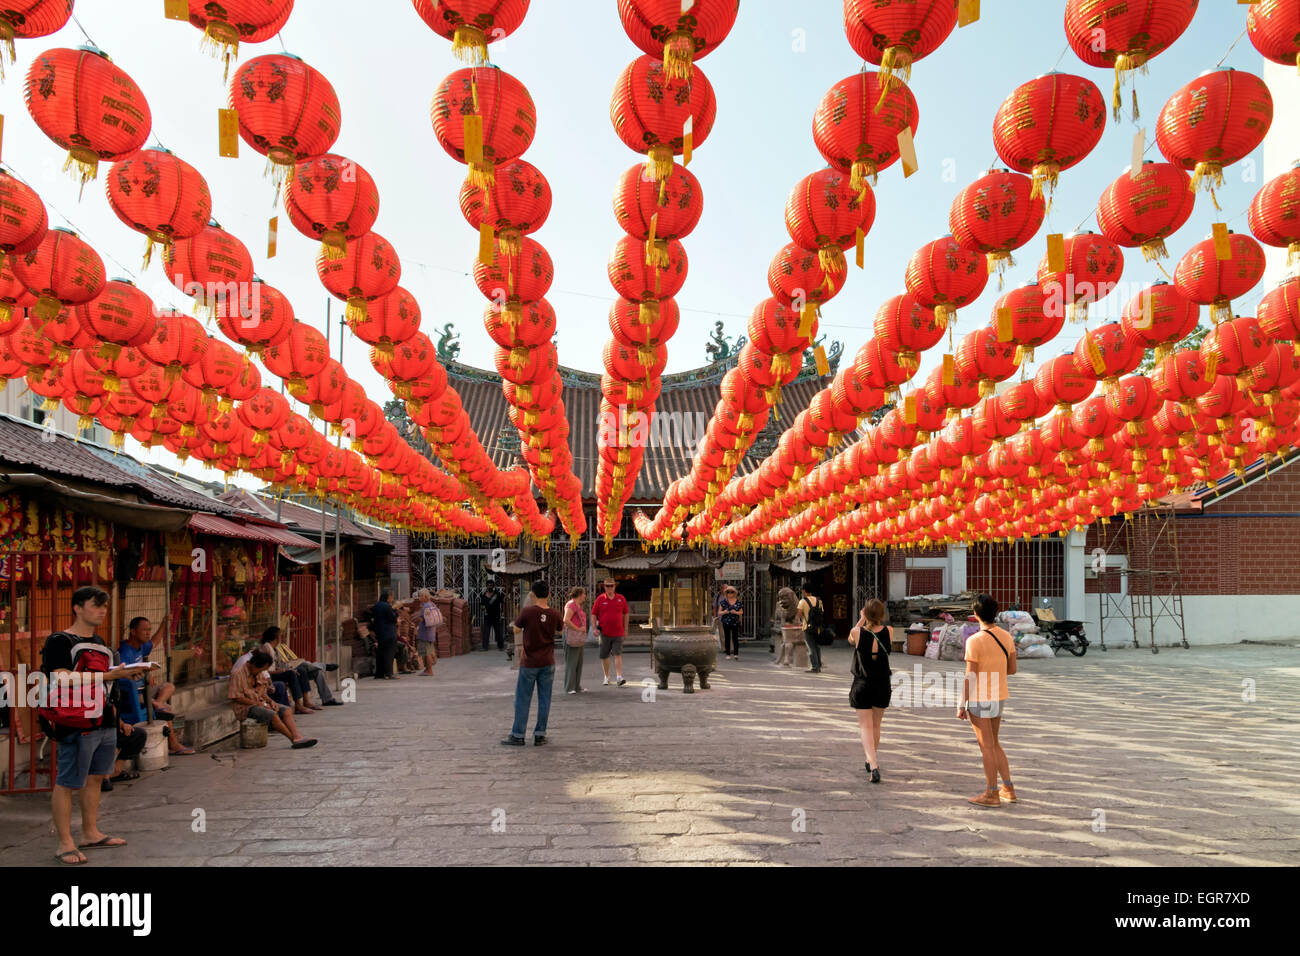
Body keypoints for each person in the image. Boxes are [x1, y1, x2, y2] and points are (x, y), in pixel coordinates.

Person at [41, 586, 153, 865]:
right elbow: (61, 679)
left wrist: (124, 675)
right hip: (74, 719)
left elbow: (107, 682)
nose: (102, 610)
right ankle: (64, 843)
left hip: (103, 717)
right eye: (95, 604)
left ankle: (90, 832)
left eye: (104, 605)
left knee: (95, 778)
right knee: (67, 781)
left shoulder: (102, 643)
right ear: (77, 607)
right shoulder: (60, 641)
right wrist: (110, 673)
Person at [959, 594, 1018, 808]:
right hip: (999, 695)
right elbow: (1012, 669)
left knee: (987, 747)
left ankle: (992, 792)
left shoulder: (974, 641)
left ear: (975, 615)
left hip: (980, 698)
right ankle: (1008, 788)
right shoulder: (1006, 636)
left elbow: (970, 676)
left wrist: (961, 703)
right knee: (994, 743)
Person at [118, 617, 194, 755]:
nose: (148, 633)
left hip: (145, 689)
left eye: (149, 630)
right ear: (133, 632)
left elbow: (155, 641)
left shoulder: (141, 646)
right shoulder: (125, 652)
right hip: (133, 695)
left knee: (168, 686)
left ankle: (157, 702)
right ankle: (174, 745)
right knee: (165, 711)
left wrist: (163, 625)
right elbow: (123, 679)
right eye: (144, 630)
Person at [501, 580, 560, 746]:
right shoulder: (555, 613)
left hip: (529, 662)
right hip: (548, 661)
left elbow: (516, 629)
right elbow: (561, 630)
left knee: (523, 699)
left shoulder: (527, 612)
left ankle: (518, 734)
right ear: (549, 594)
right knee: (544, 699)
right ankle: (540, 734)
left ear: (532, 595)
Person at [229, 650, 317, 750]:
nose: (261, 672)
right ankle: (293, 739)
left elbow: (262, 692)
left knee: (286, 710)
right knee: (273, 715)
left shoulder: (258, 673)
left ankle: (297, 736)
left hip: (259, 703)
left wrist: (270, 701)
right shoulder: (238, 674)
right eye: (260, 669)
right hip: (245, 708)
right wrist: (258, 704)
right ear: (253, 664)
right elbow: (236, 697)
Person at [848, 599, 892, 783]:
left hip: (862, 685)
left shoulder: (857, 632)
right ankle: (872, 759)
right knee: (876, 725)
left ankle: (872, 764)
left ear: (865, 613)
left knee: (865, 726)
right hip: (882, 684)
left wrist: (861, 619)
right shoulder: (889, 631)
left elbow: (851, 638)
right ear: (882, 615)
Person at [262, 625, 342, 706]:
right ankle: (324, 666)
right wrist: (285, 670)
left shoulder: (276, 649)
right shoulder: (267, 648)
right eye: (280, 636)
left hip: (283, 670)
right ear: (276, 637)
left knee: (317, 672)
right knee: (303, 667)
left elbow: (281, 664)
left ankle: (327, 699)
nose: (281, 638)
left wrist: (288, 667)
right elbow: (267, 671)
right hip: (274, 676)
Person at [591, 578, 629, 686]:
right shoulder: (600, 599)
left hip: (618, 632)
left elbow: (626, 614)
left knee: (618, 654)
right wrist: (594, 628)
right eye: (607, 586)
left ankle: (619, 677)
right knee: (604, 656)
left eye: (611, 586)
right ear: (604, 587)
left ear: (615, 586)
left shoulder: (621, 598)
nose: (609, 588)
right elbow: (593, 614)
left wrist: (626, 629)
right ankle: (606, 676)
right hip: (604, 633)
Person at [562, 586, 588, 695]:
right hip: (572, 636)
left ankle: (577, 686)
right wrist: (578, 629)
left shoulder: (577, 605)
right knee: (571, 662)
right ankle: (569, 687)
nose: (585, 596)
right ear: (579, 594)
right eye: (584, 594)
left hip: (578, 637)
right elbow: (566, 620)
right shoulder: (571, 604)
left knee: (578, 662)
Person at [371, 591, 399, 680]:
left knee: (381, 653)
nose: (391, 599)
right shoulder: (387, 606)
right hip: (389, 633)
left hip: (380, 633)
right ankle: (388, 673)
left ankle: (379, 673)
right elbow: (393, 618)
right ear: (387, 598)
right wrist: (396, 611)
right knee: (389, 653)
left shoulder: (376, 606)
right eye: (390, 597)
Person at [798, 585, 826, 674]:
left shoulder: (802, 601)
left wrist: (803, 618)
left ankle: (815, 667)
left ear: (804, 591)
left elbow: (799, 615)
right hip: (818, 627)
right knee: (817, 646)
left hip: (807, 627)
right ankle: (819, 665)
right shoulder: (819, 601)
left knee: (811, 647)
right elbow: (822, 612)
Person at [774, 587, 804, 667]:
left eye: (785, 597)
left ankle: (785, 658)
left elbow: (798, 618)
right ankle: (784, 658)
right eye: (781, 598)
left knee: (788, 642)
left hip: (794, 630)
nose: (783, 600)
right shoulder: (779, 605)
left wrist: (797, 621)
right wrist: (782, 615)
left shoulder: (797, 605)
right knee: (786, 642)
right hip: (785, 628)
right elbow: (779, 618)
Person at [414, 589, 441, 675]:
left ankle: (429, 670)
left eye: (420, 596)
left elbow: (421, 619)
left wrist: (416, 618)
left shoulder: (425, 607)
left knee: (426, 652)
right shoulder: (432, 604)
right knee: (428, 650)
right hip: (431, 631)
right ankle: (427, 670)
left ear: (425, 596)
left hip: (425, 632)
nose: (419, 598)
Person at [716, 586, 743, 660]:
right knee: (727, 638)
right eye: (728, 592)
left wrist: (736, 612)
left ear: (734, 593)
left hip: (735, 622)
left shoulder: (738, 602)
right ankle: (728, 654)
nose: (730, 594)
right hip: (726, 622)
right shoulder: (723, 602)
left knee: (735, 638)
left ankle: (736, 654)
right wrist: (724, 612)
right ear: (726, 593)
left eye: (732, 592)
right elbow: (719, 612)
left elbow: (741, 612)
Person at [481, 580, 506, 651]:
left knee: (498, 632)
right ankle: (485, 647)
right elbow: (482, 605)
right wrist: (483, 609)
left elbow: (503, 603)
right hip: (487, 616)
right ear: (486, 586)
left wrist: (502, 612)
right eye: (488, 585)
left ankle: (500, 646)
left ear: (493, 586)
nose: (490, 586)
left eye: (491, 585)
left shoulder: (497, 594)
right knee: (486, 632)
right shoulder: (483, 595)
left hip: (496, 616)